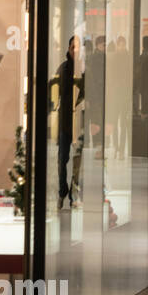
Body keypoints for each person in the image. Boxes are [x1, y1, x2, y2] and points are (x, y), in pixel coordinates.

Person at [52, 36, 84, 208]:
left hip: (79, 123)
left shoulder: (83, 70)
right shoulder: (63, 69)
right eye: (73, 47)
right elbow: (56, 94)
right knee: (62, 159)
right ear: (68, 48)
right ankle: (62, 191)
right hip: (65, 123)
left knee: (78, 161)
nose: (75, 51)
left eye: (77, 48)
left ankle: (73, 193)